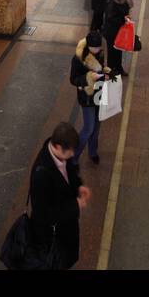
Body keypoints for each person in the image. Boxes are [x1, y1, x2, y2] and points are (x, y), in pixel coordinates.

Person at [27, 122, 88, 269]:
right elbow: (44, 215)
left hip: (66, 228)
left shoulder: (59, 152)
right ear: (59, 147)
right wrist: (76, 205)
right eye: (70, 152)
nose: (73, 154)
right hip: (54, 237)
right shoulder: (41, 175)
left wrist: (79, 185)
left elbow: (71, 171)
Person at [70, 31, 109, 164]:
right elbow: (73, 79)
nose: (98, 50)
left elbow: (101, 68)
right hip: (87, 98)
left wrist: (105, 72)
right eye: (95, 48)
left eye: (99, 47)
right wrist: (88, 78)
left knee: (97, 126)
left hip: (99, 93)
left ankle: (93, 151)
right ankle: (74, 157)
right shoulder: (78, 59)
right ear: (88, 46)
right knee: (88, 128)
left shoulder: (100, 53)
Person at [101, 0, 134, 77]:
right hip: (111, 31)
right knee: (111, 52)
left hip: (119, 30)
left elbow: (125, 9)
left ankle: (119, 68)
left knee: (119, 50)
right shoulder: (112, 2)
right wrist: (123, 18)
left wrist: (127, 16)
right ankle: (111, 70)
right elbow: (110, 18)